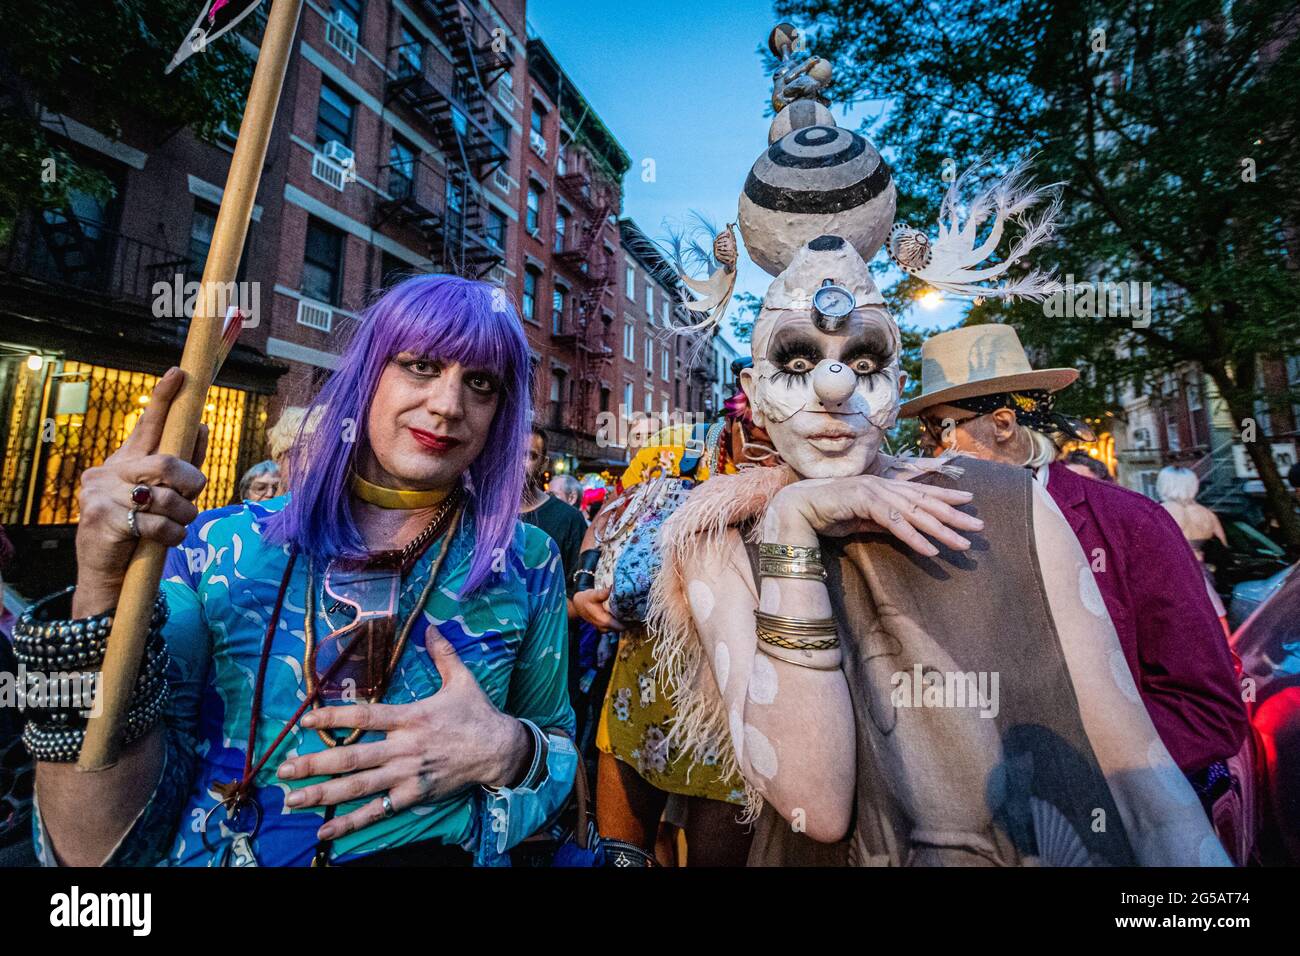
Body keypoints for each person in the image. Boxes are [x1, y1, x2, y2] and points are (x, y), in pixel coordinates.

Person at [646, 31, 1228, 866]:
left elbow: (1144, 787)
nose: (835, 389)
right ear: (753, 387)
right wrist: (793, 524)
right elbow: (815, 803)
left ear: (895, 375)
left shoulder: (1010, 507)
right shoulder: (718, 542)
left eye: (865, 362)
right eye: (798, 363)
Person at [25, 274, 577, 867]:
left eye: (480, 383)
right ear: (368, 374)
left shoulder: (527, 560)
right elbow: (90, 847)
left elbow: (559, 751)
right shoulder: (216, 546)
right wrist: (102, 585)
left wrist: (510, 748)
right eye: (421, 366)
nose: (448, 405)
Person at [905, 324, 1247, 818]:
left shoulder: (1131, 524)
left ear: (1002, 423)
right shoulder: (933, 528)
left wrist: (1072, 773)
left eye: (939, 428)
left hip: (1121, 820)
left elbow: (1206, 712)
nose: (927, 447)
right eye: (923, 431)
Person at [575, 404, 769, 866]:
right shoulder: (674, 448)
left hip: (735, 711)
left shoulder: (811, 464)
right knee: (620, 857)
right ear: (746, 399)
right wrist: (583, 583)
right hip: (641, 692)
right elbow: (608, 517)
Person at [521, 428, 587, 618]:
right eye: (512, 453)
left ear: (543, 464)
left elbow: (579, 599)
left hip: (548, 634)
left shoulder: (569, 519)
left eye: (530, 455)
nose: (518, 463)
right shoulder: (484, 513)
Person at [1156, 465, 1230, 623]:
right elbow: (1223, 547)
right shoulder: (1208, 514)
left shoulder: (1160, 512)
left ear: (1163, 484)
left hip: (1174, 575)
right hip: (1204, 571)